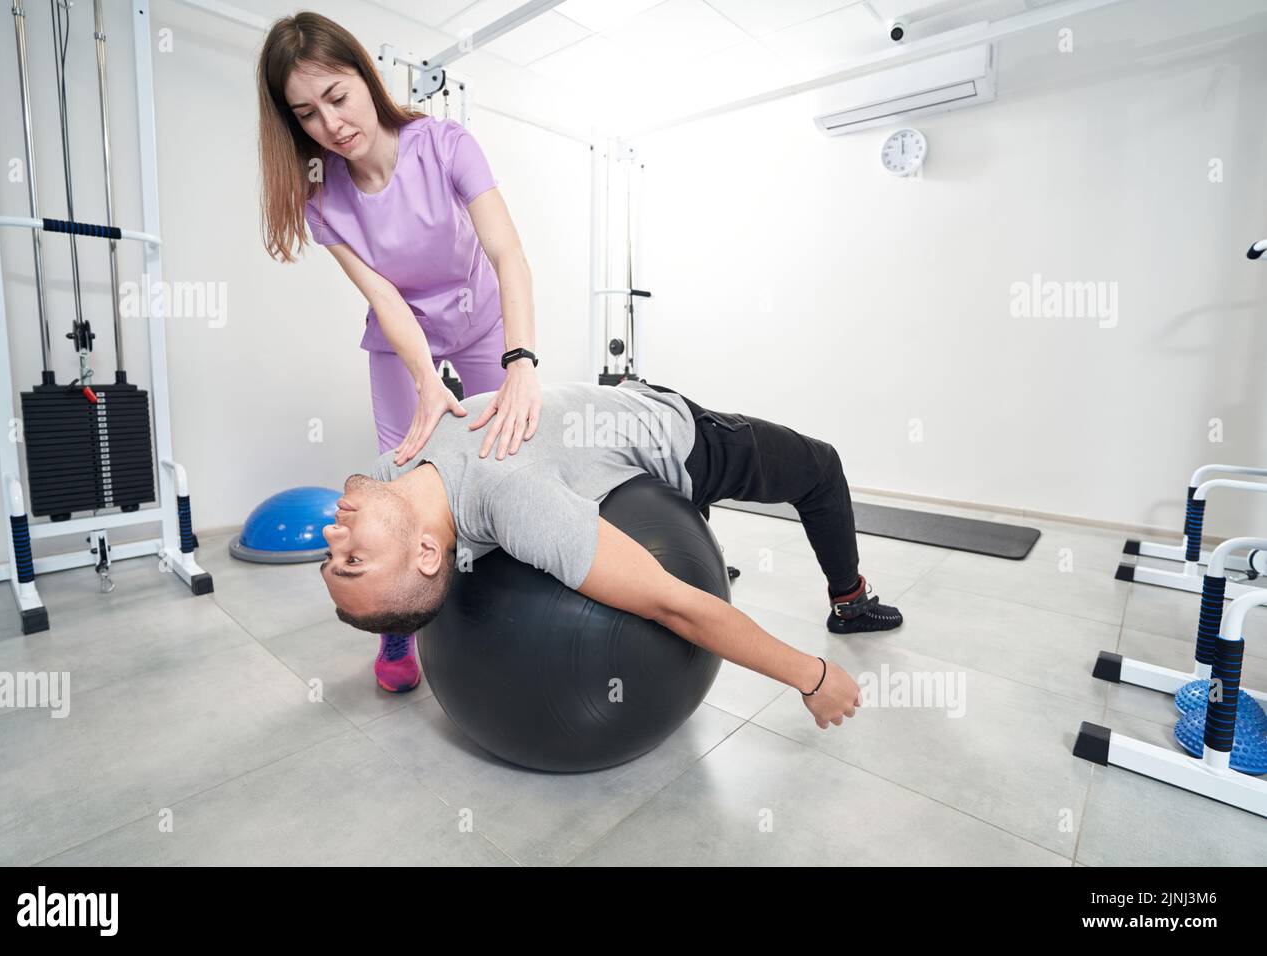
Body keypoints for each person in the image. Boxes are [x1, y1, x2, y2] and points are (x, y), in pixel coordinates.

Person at [319, 379, 904, 730]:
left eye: (331, 559)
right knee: (820, 468)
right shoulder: (517, 501)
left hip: (621, 400)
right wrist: (812, 675)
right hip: (683, 439)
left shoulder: (389, 473)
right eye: (352, 562)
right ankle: (850, 602)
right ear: (426, 553)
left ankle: (705, 539)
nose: (331, 539)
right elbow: (676, 606)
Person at [257, 12, 543, 694]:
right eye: (306, 113)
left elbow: (507, 253)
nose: (330, 123)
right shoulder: (323, 198)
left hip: (478, 324)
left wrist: (522, 361)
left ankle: (514, 603)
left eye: (337, 95)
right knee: (395, 477)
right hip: (398, 339)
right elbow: (387, 301)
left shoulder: (445, 145)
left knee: (509, 454)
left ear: (366, 76)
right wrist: (424, 381)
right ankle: (396, 627)